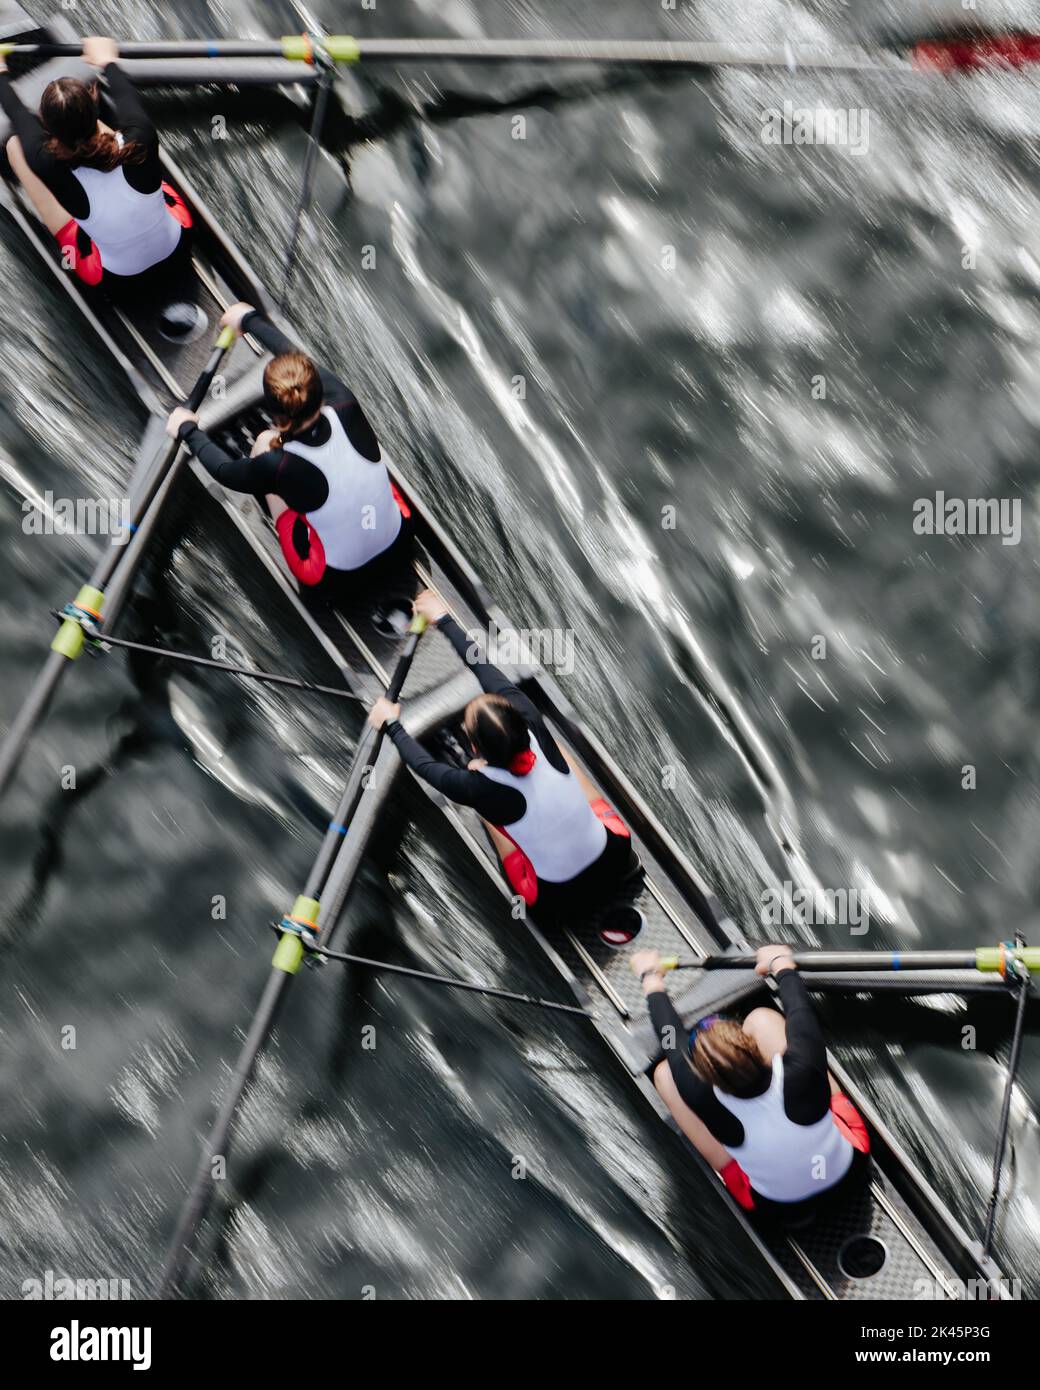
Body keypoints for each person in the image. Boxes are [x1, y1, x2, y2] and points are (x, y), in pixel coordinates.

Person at [369, 588, 644, 943]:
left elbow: (422, 764)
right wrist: (444, 619)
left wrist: (391, 723)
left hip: (555, 901)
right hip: (617, 856)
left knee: (485, 802)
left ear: (473, 744)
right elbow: (483, 667)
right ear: (515, 717)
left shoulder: (477, 787)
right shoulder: (528, 713)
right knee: (559, 753)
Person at [166, 301, 415, 602]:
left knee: (261, 445)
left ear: (275, 413)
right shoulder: (344, 399)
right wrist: (249, 319)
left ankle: (286, 521)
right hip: (401, 542)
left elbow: (224, 472)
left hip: (337, 581)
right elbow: (295, 355)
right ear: (318, 388)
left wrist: (188, 430)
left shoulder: (276, 465)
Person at [631, 943, 870, 1223]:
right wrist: (780, 962)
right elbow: (798, 1007)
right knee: (762, 1018)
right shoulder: (802, 1067)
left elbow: (670, 1038)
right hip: (851, 1175)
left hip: (780, 1211)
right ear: (750, 1046)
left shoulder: (697, 1092)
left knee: (665, 1075)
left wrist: (651, 978)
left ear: (706, 1076)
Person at [0, 36, 191, 295]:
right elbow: (124, 92)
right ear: (93, 105)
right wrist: (106, 60)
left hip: (118, 283)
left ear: (47, 126)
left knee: (13, 145)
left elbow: (17, 112)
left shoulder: (43, 162)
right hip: (179, 250)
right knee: (115, 142)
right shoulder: (141, 136)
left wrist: (1, 70)